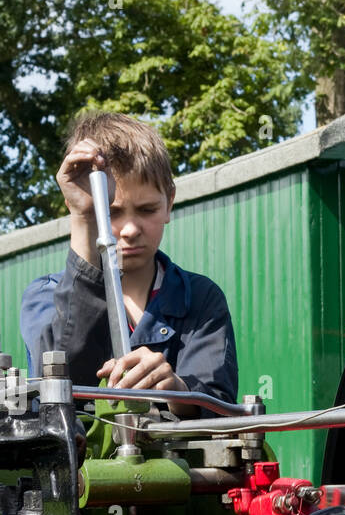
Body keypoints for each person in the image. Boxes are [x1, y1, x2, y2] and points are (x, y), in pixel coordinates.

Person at [21, 113, 238, 414]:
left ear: (170, 202)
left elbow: (221, 406)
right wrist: (85, 219)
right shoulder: (44, 297)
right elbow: (61, 389)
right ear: (74, 204)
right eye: (112, 212)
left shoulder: (201, 298)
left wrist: (177, 391)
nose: (131, 229)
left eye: (147, 209)